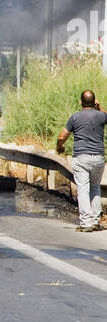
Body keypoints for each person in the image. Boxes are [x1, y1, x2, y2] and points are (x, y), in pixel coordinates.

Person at [57, 90, 107, 233]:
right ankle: (96, 221)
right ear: (94, 102)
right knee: (95, 187)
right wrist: (100, 108)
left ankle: (86, 223)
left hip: (82, 157)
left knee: (83, 189)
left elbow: (62, 137)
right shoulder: (101, 116)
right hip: (98, 157)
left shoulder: (75, 117)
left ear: (80, 102)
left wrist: (59, 146)